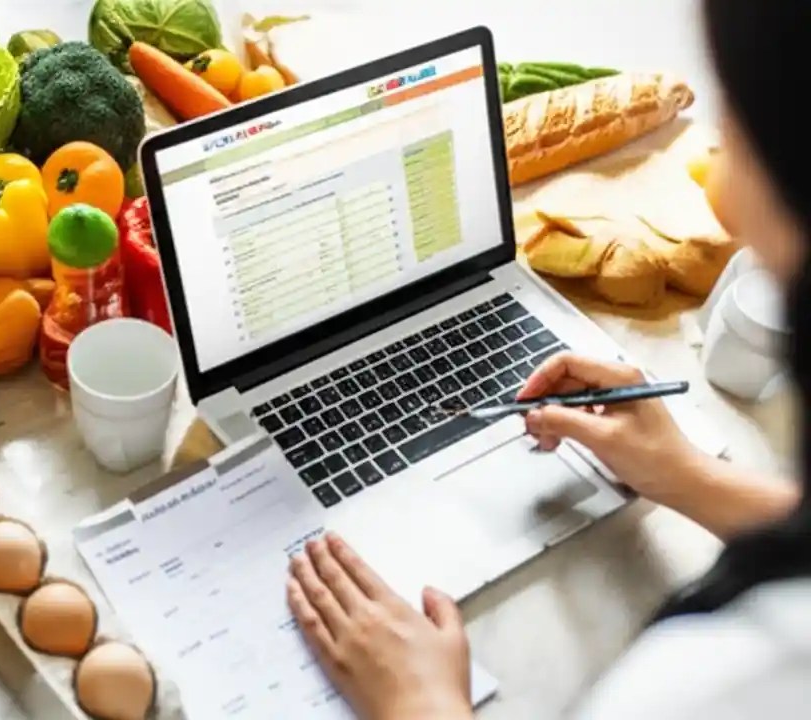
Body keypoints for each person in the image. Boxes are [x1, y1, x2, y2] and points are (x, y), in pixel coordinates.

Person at [285, 2, 811, 718]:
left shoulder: (723, 678)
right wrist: (688, 476)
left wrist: (422, 703)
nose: (717, 171)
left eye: (739, 124)